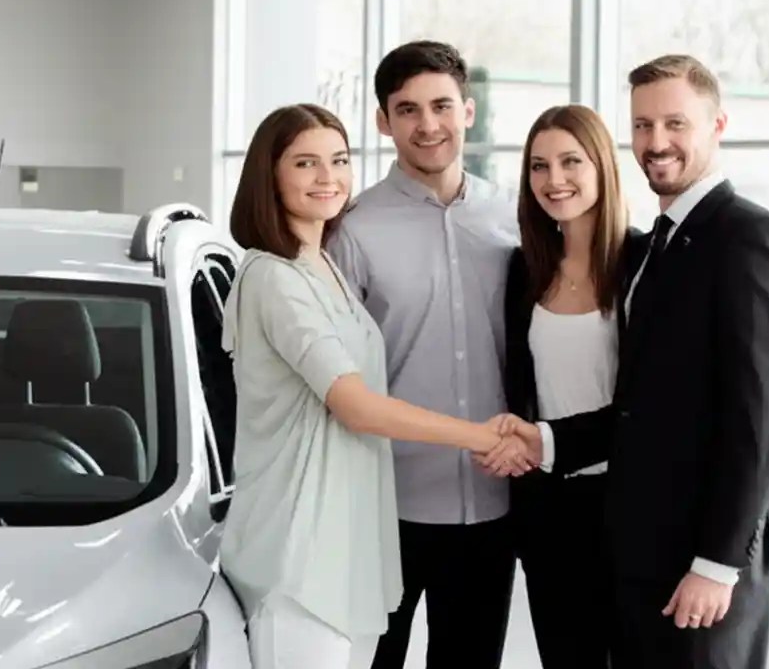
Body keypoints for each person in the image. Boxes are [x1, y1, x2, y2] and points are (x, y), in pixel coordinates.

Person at [492, 54, 769, 669]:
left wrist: (717, 563)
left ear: (717, 125)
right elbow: (647, 410)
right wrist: (545, 441)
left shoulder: (747, 236)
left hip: (697, 561)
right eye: (642, 125)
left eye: (674, 123)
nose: (656, 141)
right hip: (641, 549)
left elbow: (758, 421)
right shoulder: (667, 243)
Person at [219, 102, 530, 669]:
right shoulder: (273, 276)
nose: (328, 177)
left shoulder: (322, 264)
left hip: (342, 537)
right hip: (297, 546)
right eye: (306, 163)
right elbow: (356, 407)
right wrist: (484, 437)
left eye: (339, 160)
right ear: (270, 175)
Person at [326, 40, 521, 669]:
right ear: (383, 121)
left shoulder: (514, 219)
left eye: (442, 105)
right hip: (386, 510)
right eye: (407, 110)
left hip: (493, 505)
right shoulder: (351, 230)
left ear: (468, 111)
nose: (428, 124)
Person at [495, 104, 640, 669]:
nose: (553, 179)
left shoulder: (645, 261)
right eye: (539, 166)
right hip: (549, 509)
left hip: (630, 504)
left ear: (602, 165)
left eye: (570, 162)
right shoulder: (524, 269)